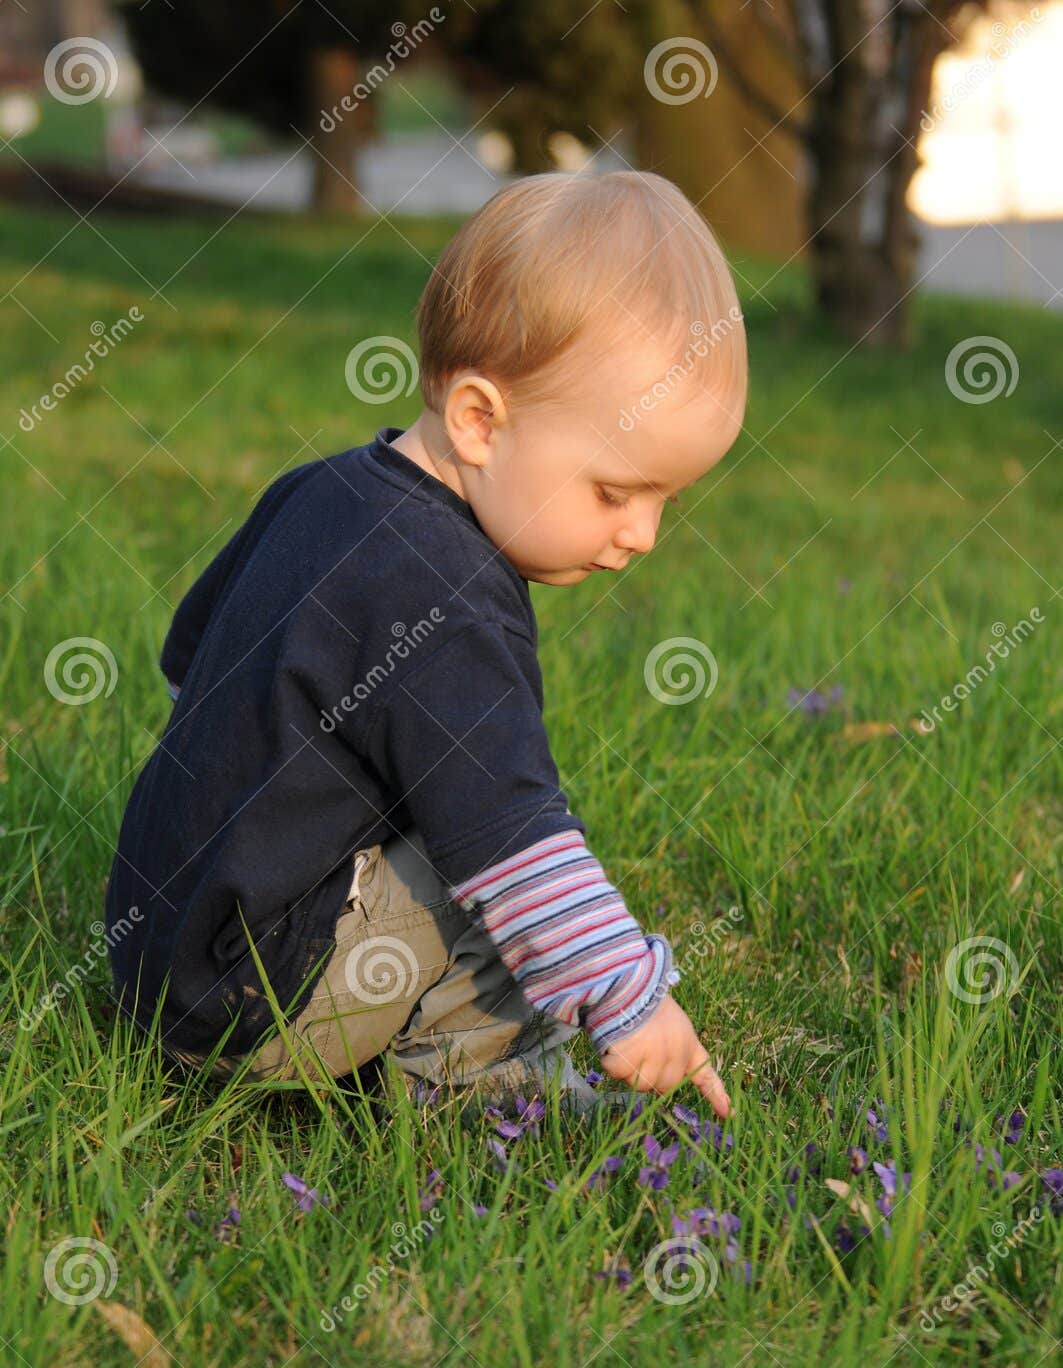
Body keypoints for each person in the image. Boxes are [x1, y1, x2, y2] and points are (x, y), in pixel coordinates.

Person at [104, 170, 747, 1119]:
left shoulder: (314, 490)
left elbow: (188, 661)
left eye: (666, 501)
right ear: (479, 420)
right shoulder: (448, 600)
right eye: (615, 492)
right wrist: (629, 1000)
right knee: (482, 861)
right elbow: (513, 837)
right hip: (262, 1010)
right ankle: (486, 1091)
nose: (642, 535)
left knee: (437, 807)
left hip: (152, 958)